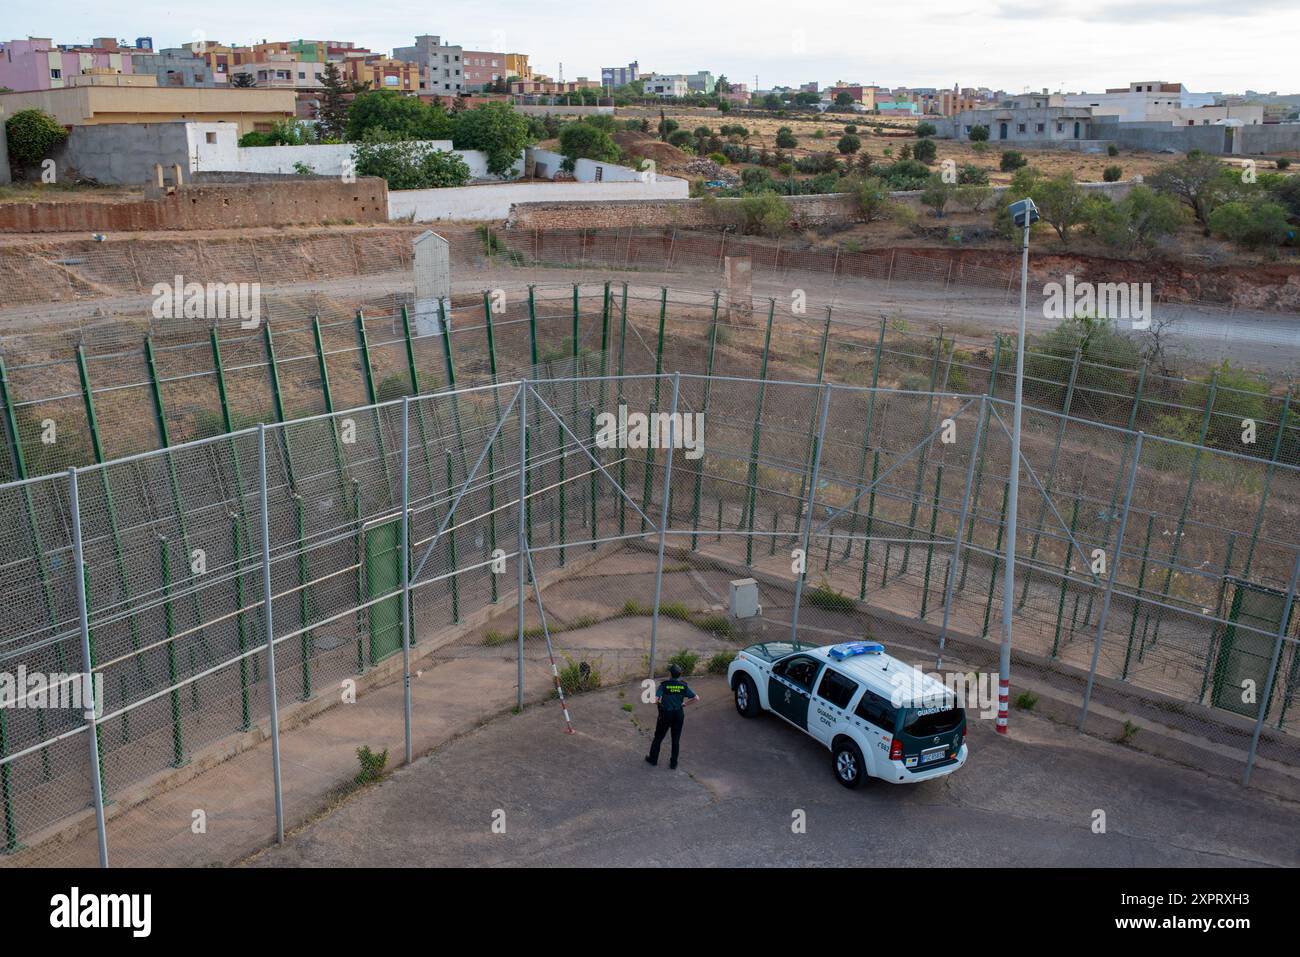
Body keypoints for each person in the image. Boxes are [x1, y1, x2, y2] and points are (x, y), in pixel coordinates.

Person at [645, 664, 700, 770]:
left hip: (666, 714)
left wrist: (659, 703)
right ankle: (673, 763)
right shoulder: (683, 686)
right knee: (675, 739)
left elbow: (656, 700)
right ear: (679, 674)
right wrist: (684, 704)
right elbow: (696, 698)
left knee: (658, 737)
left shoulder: (664, 685)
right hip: (678, 714)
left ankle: (653, 759)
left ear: (670, 674)